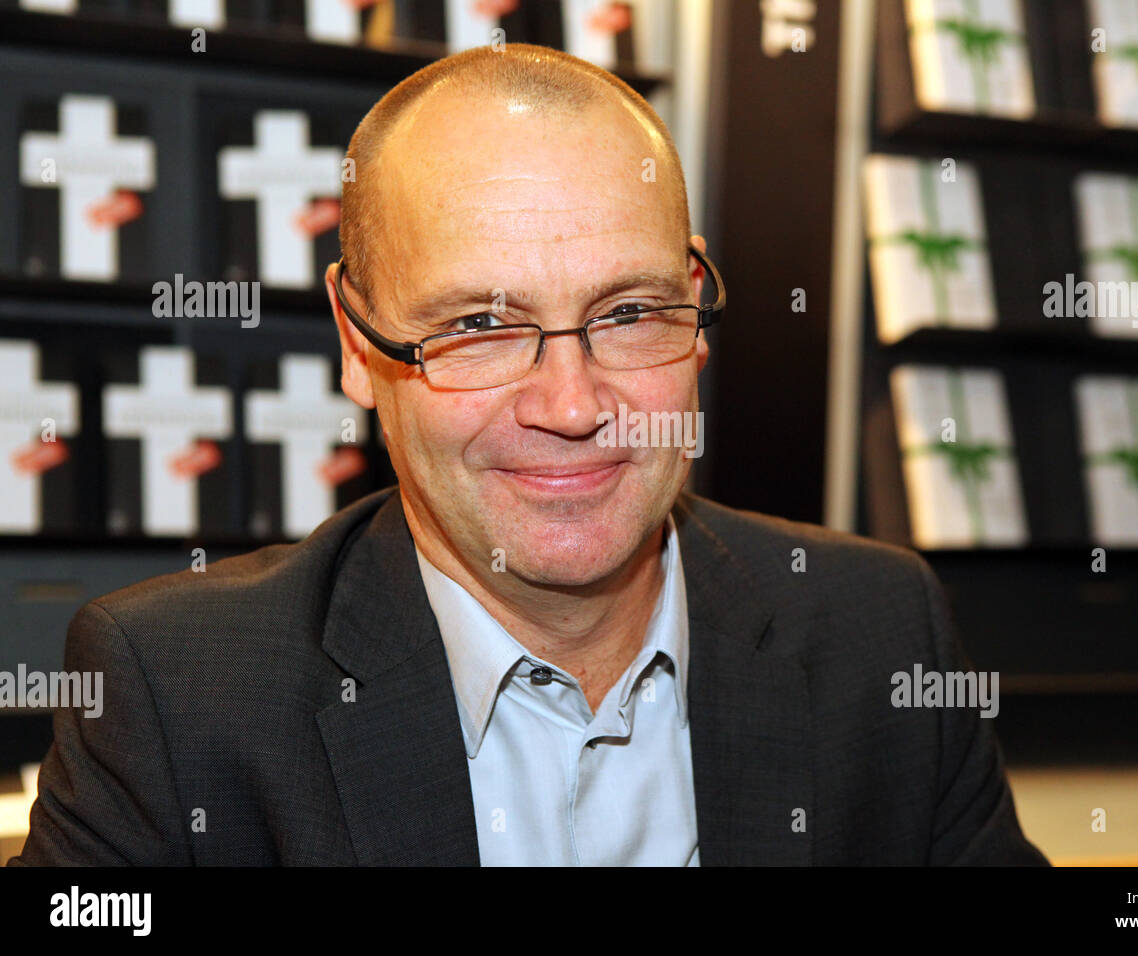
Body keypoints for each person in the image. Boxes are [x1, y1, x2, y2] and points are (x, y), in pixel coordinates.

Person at [10, 43, 1047, 866]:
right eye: (477, 325)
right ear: (356, 344)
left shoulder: (877, 628)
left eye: (630, 310)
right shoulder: (175, 695)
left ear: (694, 304)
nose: (571, 404)